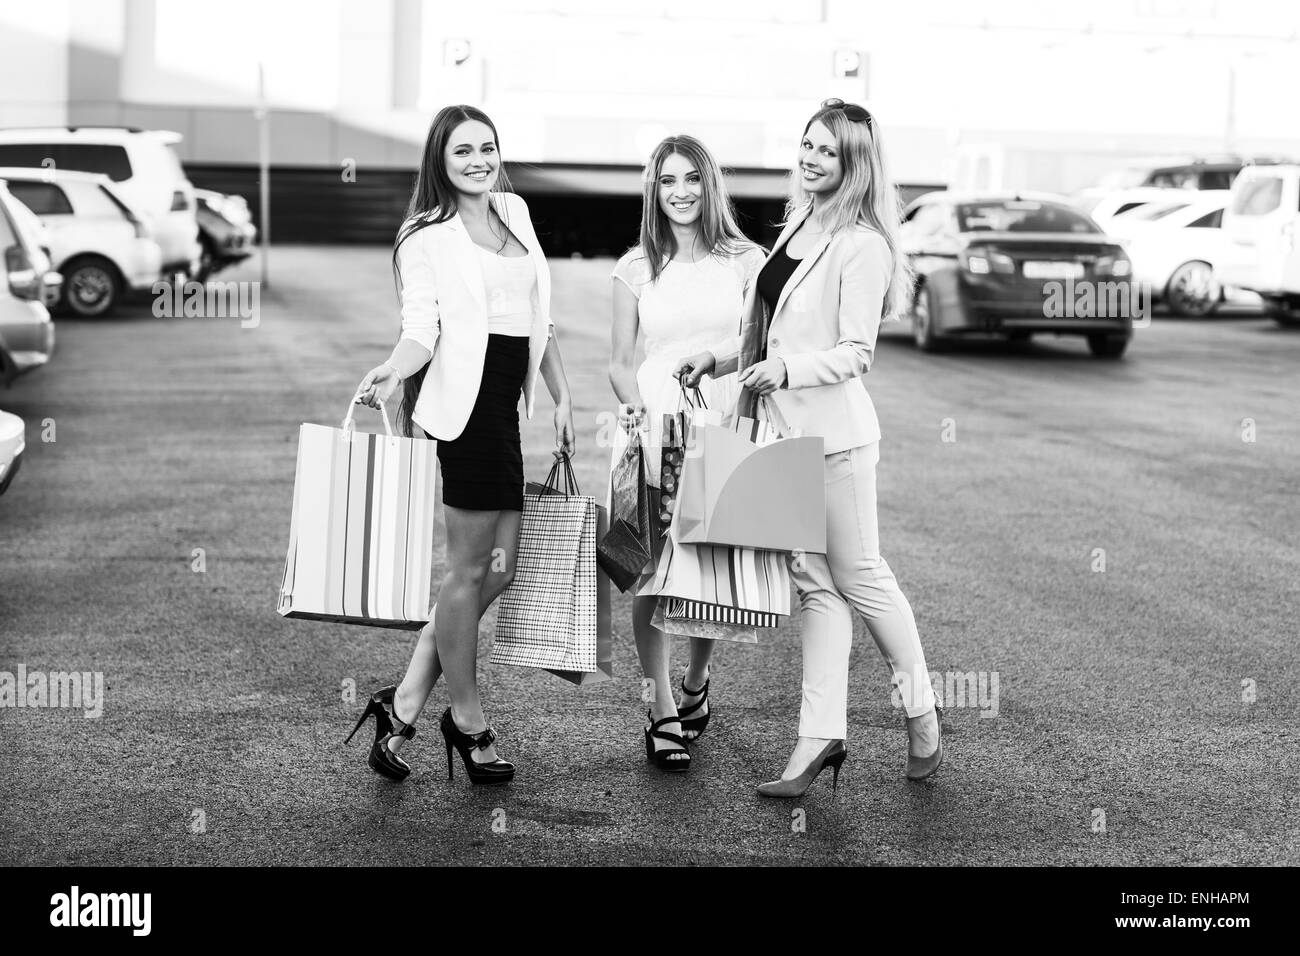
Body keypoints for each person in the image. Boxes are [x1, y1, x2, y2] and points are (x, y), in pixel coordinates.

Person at [677, 99, 942, 796]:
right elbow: (765, 334)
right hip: (779, 436)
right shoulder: (797, 223)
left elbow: (857, 352)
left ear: (854, 164)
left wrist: (786, 371)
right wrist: (719, 359)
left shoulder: (863, 245)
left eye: (828, 151)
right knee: (814, 586)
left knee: (862, 579)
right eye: (808, 145)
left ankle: (921, 711)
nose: (811, 158)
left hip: (837, 440)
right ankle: (818, 737)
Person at [348, 105, 576, 786]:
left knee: (497, 572)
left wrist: (562, 397)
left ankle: (406, 702)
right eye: (462, 152)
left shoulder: (514, 211)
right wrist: (394, 368)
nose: (477, 160)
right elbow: (422, 326)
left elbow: (542, 318)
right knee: (470, 571)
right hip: (464, 416)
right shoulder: (425, 235)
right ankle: (469, 720)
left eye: (486, 148)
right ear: (440, 162)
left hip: (506, 410)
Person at [608, 134, 765, 772]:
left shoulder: (747, 261)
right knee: (650, 572)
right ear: (654, 188)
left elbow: (757, 344)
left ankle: (698, 679)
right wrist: (638, 410)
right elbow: (620, 363)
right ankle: (662, 708)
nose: (679, 192)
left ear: (710, 186)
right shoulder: (635, 267)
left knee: (709, 571)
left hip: (724, 426)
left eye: (691, 179)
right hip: (653, 435)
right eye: (667, 180)